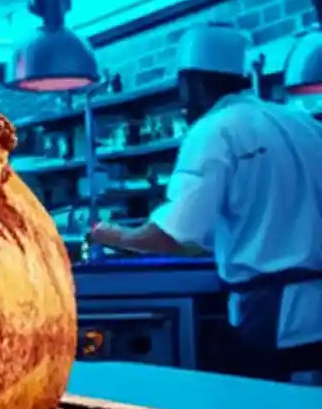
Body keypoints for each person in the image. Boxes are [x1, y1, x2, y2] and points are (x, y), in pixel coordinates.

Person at [88, 23, 322, 382]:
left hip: (274, 315)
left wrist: (111, 235)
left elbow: (172, 235)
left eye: (182, 87)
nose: (182, 100)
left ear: (194, 83)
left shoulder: (213, 130)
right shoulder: (304, 123)